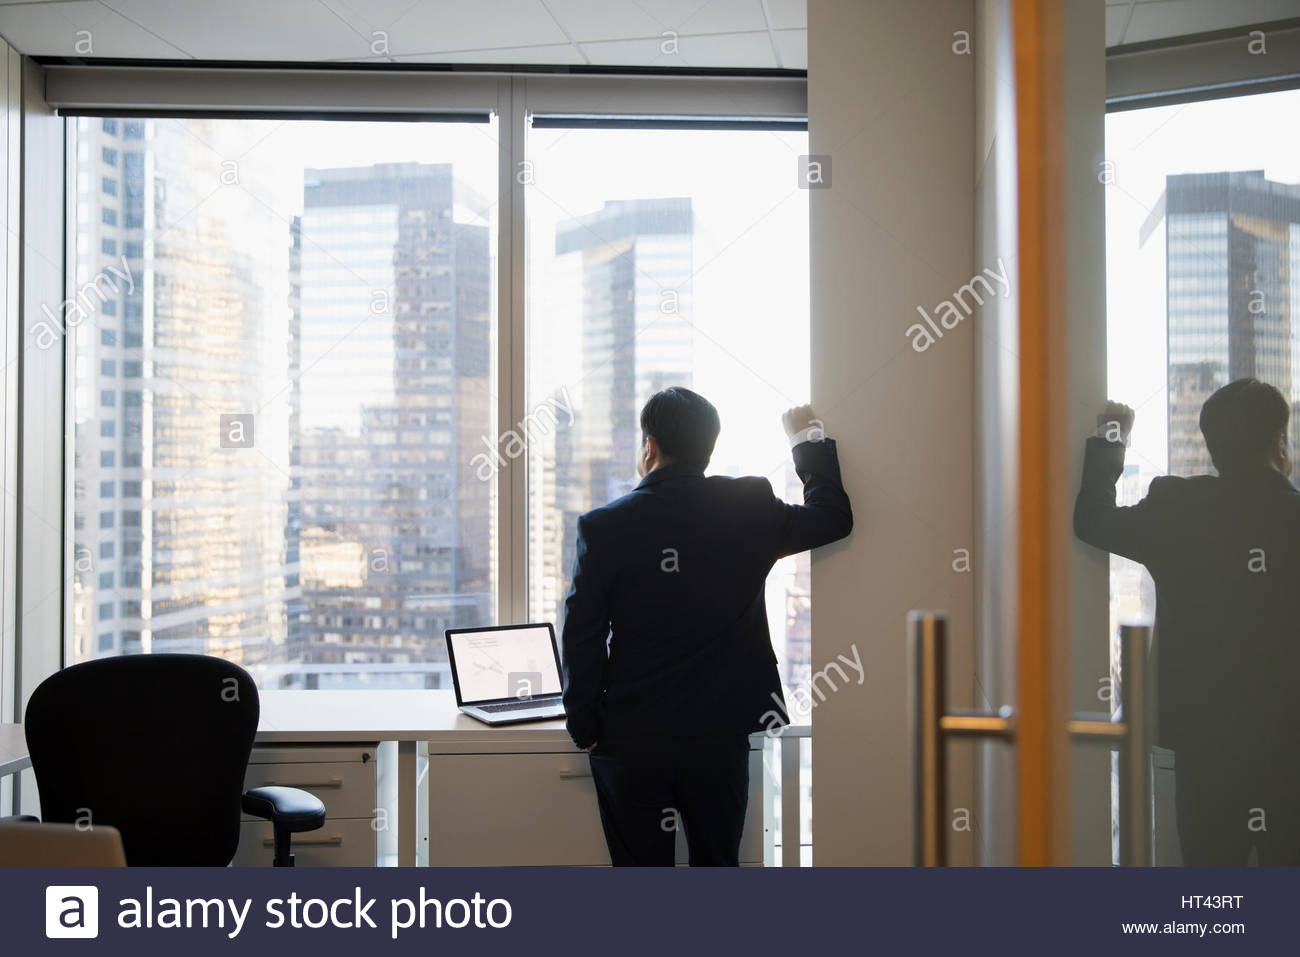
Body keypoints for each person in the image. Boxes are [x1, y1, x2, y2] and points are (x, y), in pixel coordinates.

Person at [561, 387, 853, 866]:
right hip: (721, 734)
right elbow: (832, 518)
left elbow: (583, 635)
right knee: (717, 867)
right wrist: (807, 439)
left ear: (649, 447)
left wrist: (584, 726)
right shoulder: (748, 505)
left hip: (631, 738)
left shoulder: (604, 526)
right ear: (708, 448)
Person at [1074, 378, 1300, 864]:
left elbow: (1092, 520)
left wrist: (1114, 435)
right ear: (1279, 445)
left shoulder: (1178, 510)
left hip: (1205, 745)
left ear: (1214, 448)